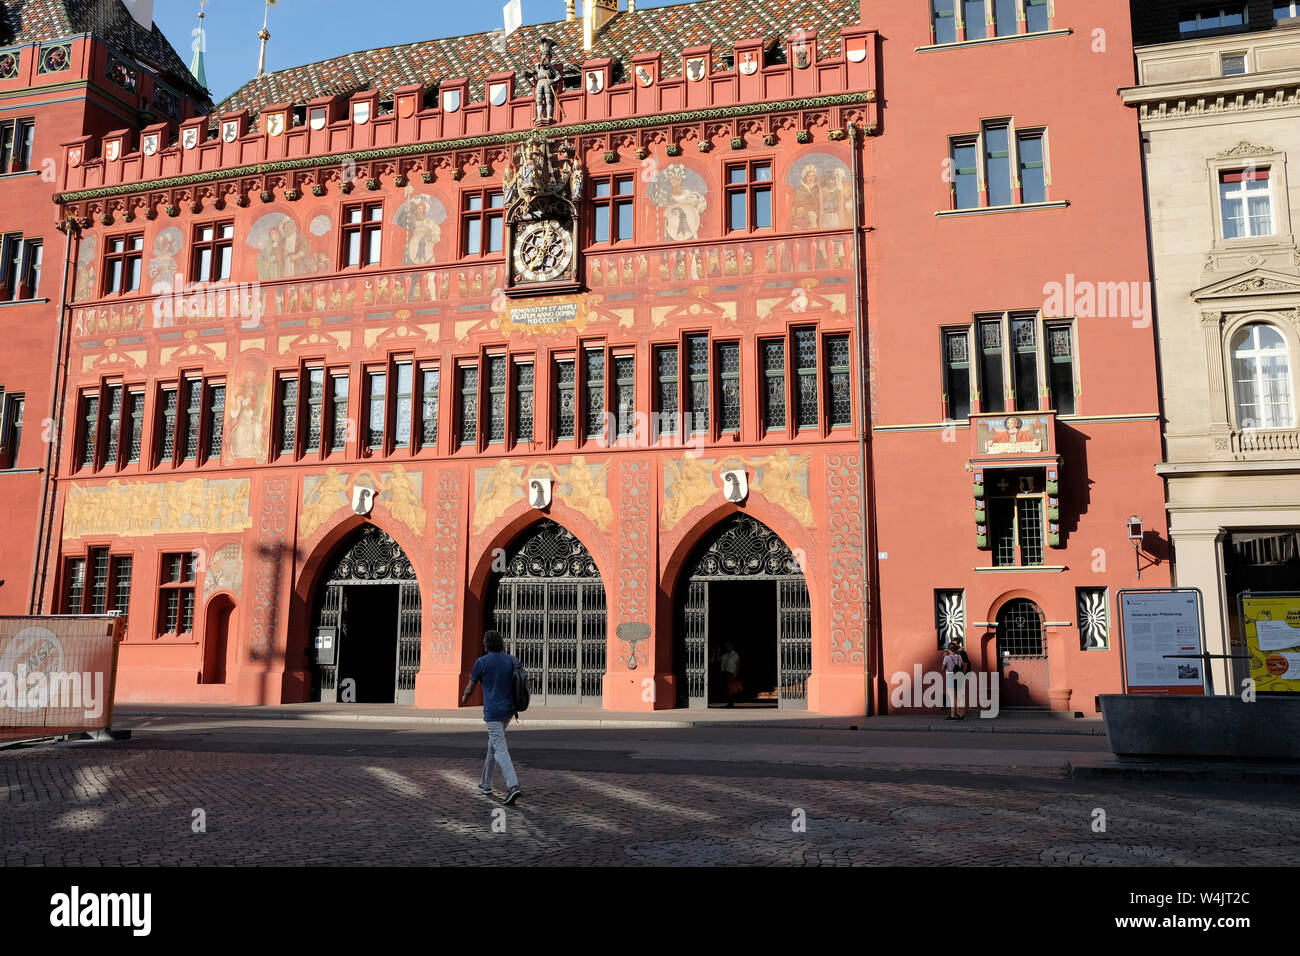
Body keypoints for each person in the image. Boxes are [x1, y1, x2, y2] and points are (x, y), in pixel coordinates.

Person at [461, 630, 523, 804]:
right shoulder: (512, 660)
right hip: (509, 711)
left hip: (493, 713)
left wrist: (464, 698)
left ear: (486, 644)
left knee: (500, 748)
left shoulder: (481, 662)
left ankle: (513, 785)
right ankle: (486, 783)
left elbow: (470, 688)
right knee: (493, 746)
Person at [942, 640, 966, 720]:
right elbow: (962, 665)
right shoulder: (959, 656)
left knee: (952, 697)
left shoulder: (947, 657)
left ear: (949, 649)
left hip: (950, 677)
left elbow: (942, 668)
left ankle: (953, 715)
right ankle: (961, 714)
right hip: (959, 676)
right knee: (960, 696)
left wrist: (944, 657)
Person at [719, 642, 741, 708]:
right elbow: (718, 659)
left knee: (731, 689)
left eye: (728, 645)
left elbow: (738, 664)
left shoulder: (735, 654)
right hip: (725, 673)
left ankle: (731, 703)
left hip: (731, 673)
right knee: (727, 689)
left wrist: (736, 673)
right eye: (726, 646)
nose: (727, 647)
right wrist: (717, 651)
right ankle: (730, 702)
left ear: (731, 646)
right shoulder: (725, 655)